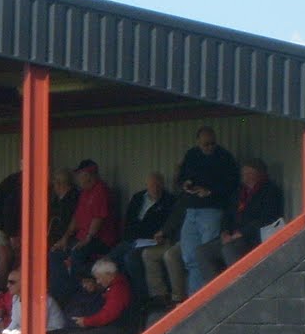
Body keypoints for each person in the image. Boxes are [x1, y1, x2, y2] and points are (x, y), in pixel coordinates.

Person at [175, 126, 240, 293]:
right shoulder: (191, 155)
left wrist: (210, 191)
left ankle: (207, 295)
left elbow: (232, 185)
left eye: (212, 144)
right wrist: (187, 184)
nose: (209, 147)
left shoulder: (224, 157)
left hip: (212, 209)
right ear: (198, 142)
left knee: (206, 255)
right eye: (205, 145)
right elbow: (182, 176)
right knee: (189, 256)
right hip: (192, 209)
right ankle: (194, 296)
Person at [196, 159, 284, 280]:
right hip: (232, 236)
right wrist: (225, 232)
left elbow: (267, 219)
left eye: (248, 172)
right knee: (203, 251)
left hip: (253, 238)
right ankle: (215, 292)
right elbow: (227, 214)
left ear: (258, 173)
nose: (244, 176)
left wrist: (242, 233)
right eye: (243, 173)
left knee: (229, 249)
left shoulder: (270, 191)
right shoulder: (239, 192)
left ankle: (238, 289)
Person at [50, 159, 119, 299]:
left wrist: (87, 239)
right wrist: (65, 238)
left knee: (77, 254)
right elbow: (76, 218)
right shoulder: (84, 193)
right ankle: (60, 293)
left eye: (80, 175)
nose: (78, 179)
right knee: (55, 253)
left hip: (101, 240)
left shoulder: (101, 190)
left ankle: (81, 292)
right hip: (82, 238)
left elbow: (98, 218)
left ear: (89, 175)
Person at [107, 172, 175, 302]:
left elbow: (168, 224)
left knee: (130, 258)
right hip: (132, 239)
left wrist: (160, 235)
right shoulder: (138, 197)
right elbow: (128, 220)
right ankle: (117, 294)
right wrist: (128, 236)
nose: (154, 188)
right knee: (110, 259)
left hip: (151, 241)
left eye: (157, 184)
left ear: (162, 185)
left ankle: (141, 296)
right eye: (151, 185)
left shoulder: (168, 201)